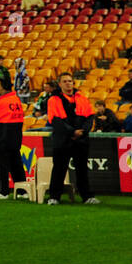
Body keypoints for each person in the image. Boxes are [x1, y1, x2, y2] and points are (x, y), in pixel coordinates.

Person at [46, 73, 99, 205]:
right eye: (65, 81)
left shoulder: (82, 98)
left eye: (70, 81)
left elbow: (89, 118)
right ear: (60, 84)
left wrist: (82, 132)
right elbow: (56, 121)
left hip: (80, 140)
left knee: (82, 170)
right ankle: (54, 197)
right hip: (62, 140)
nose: (68, 83)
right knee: (59, 169)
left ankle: (87, 196)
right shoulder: (54, 100)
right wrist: (73, 132)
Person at [0, 74, 26, 199]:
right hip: (15, 136)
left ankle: (3, 191)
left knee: (1, 165)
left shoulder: (2, 101)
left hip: (2, 136)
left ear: (3, 86)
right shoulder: (16, 100)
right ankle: (22, 191)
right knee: (16, 164)